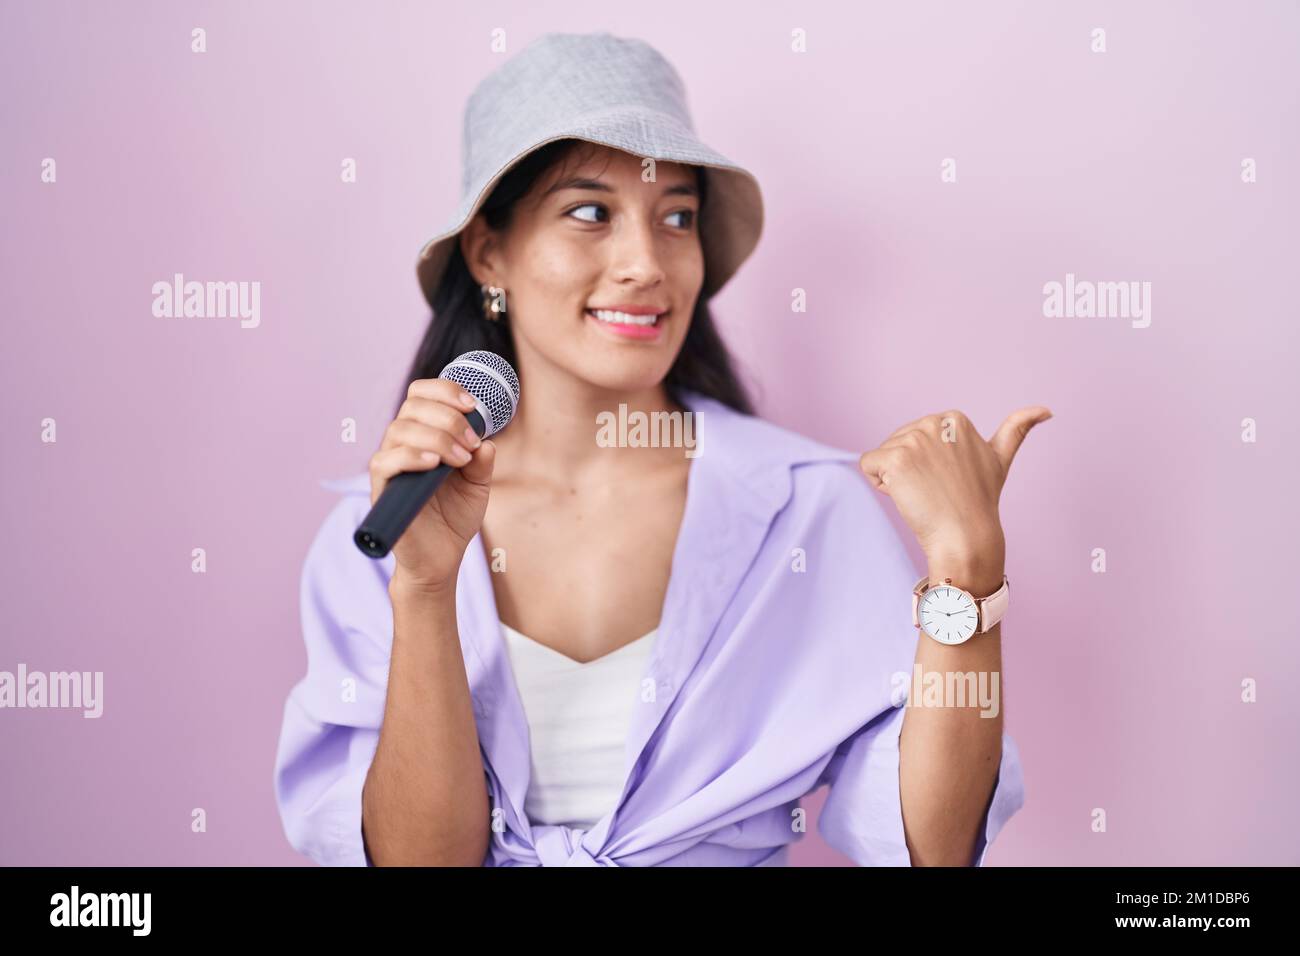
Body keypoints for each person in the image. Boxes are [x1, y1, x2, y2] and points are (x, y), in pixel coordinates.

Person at [273, 31, 1040, 866]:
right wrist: (424, 587)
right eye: (591, 213)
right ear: (490, 251)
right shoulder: (379, 528)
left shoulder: (805, 505)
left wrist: (968, 572)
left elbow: (929, 843)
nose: (647, 262)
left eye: (677, 217)